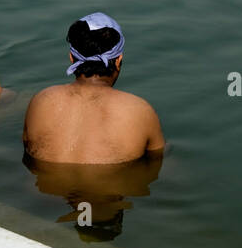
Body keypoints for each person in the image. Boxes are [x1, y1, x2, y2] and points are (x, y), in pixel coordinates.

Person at [22, 13, 164, 165]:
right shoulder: (140, 111)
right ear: (118, 61)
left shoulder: (41, 101)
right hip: (111, 187)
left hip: (46, 188)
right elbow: (157, 160)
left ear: (71, 57)